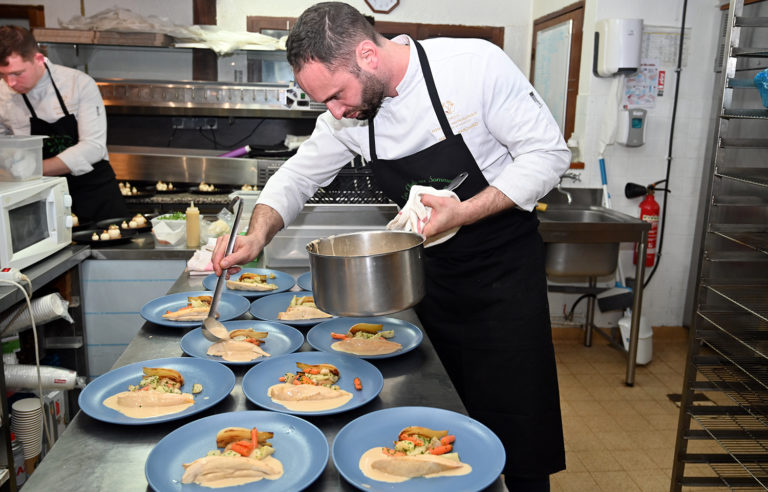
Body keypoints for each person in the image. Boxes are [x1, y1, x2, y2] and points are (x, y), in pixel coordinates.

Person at [212, 3, 569, 489]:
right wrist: (258, 233)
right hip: (432, 283)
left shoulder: (472, 66)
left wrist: (461, 212)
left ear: (367, 55)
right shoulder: (349, 115)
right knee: (434, 416)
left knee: (517, 425)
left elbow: (548, 154)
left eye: (337, 96)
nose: (334, 112)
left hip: (503, 277)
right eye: (325, 103)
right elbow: (297, 176)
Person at [0, 25, 127, 223]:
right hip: (41, 199)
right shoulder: (2, 94)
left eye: (17, 73)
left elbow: (93, 147)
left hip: (93, 192)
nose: (11, 83)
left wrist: (34, 170)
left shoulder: (79, 83)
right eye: (3, 74)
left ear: (39, 59)